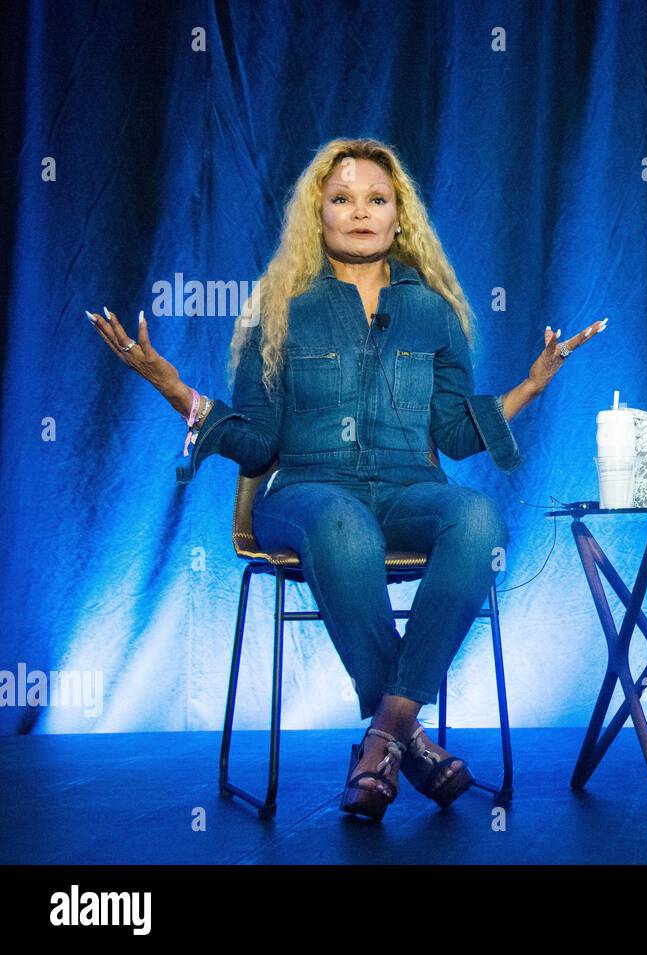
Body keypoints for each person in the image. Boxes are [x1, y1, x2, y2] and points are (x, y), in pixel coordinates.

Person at [88, 137, 607, 820]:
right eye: (342, 198)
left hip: (404, 490)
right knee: (342, 522)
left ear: (399, 217)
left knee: (478, 518)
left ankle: (385, 738)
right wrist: (169, 383)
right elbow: (256, 443)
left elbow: (453, 433)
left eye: (376, 199)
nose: (359, 211)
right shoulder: (281, 309)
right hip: (304, 496)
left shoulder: (432, 312)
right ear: (319, 215)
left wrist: (533, 386)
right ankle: (412, 739)